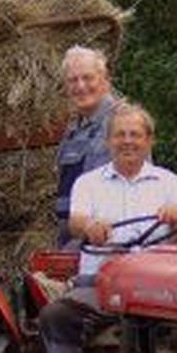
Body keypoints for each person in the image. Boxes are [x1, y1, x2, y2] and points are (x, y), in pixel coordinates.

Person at [39, 102, 177, 353]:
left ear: (149, 141)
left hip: (159, 284)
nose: (128, 141)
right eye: (120, 135)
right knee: (56, 316)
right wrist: (90, 227)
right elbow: (76, 221)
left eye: (135, 135)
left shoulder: (168, 182)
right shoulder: (89, 183)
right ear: (108, 141)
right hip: (103, 282)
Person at [55, 46, 118, 248]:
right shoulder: (74, 130)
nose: (81, 86)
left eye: (88, 78)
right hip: (74, 241)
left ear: (105, 80)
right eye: (73, 80)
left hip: (108, 243)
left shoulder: (122, 123)